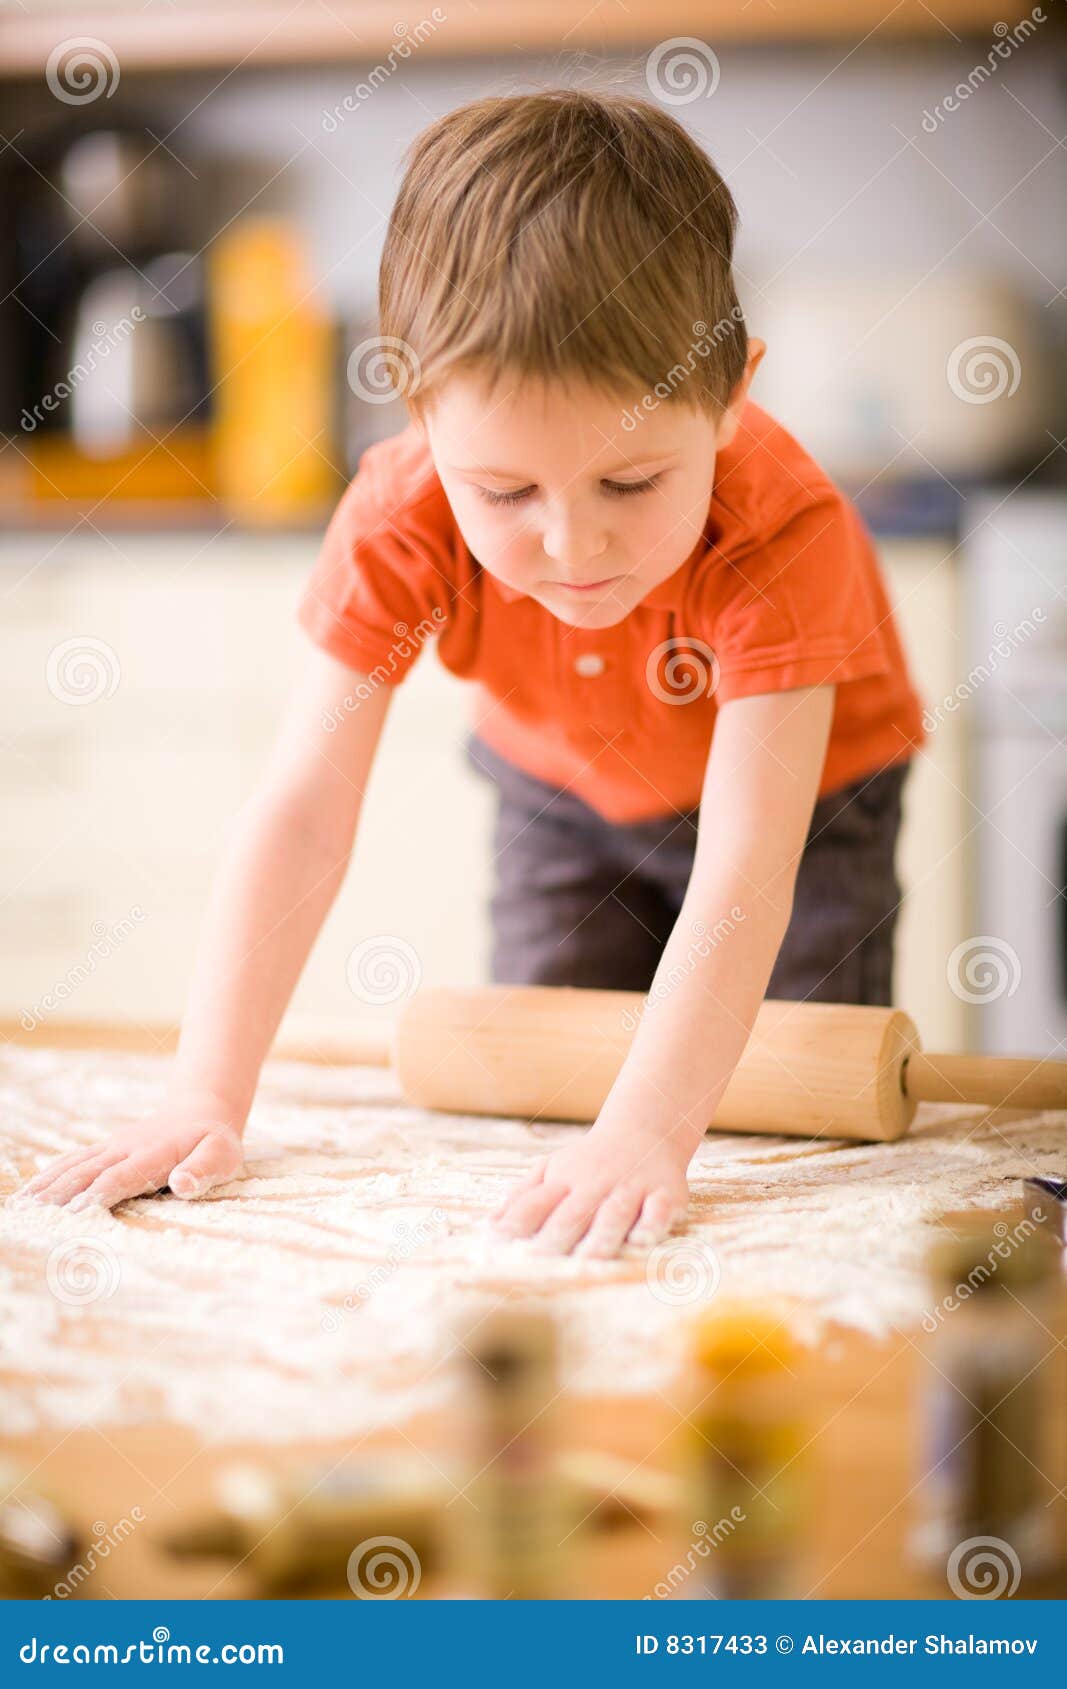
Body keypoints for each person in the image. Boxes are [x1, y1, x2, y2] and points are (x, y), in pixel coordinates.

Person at [15, 90, 926, 1256]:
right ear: (418, 417)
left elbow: (746, 871)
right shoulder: (399, 518)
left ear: (730, 392)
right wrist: (204, 1092)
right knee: (540, 1114)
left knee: (791, 1122)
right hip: (555, 793)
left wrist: (649, 1129)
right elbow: (303, 813)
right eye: (502, 492)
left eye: (631, 483)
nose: (570, 543)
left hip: (812, 809)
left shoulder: (778, 532)